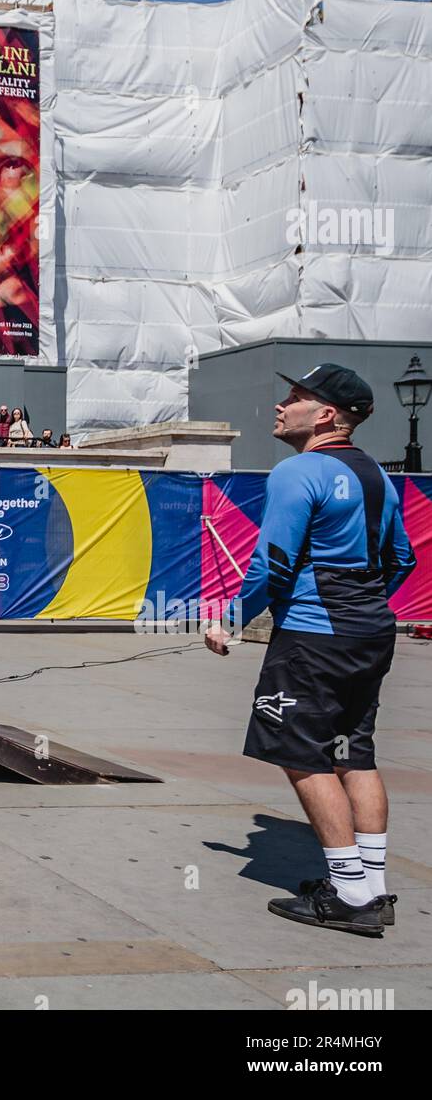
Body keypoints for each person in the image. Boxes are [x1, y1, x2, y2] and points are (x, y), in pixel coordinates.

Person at [204, 364, 416, 937]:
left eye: (294, 397)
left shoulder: (299, 471)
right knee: (353, 752)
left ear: (325, 416)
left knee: (301, 754)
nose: (281, 405)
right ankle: (371, 887)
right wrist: (360, 605)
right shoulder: (376, 473)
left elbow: (272, 561)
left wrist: (229, 621)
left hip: (314, 637)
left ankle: (348, 893)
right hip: (369, 631)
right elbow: (403, 560)